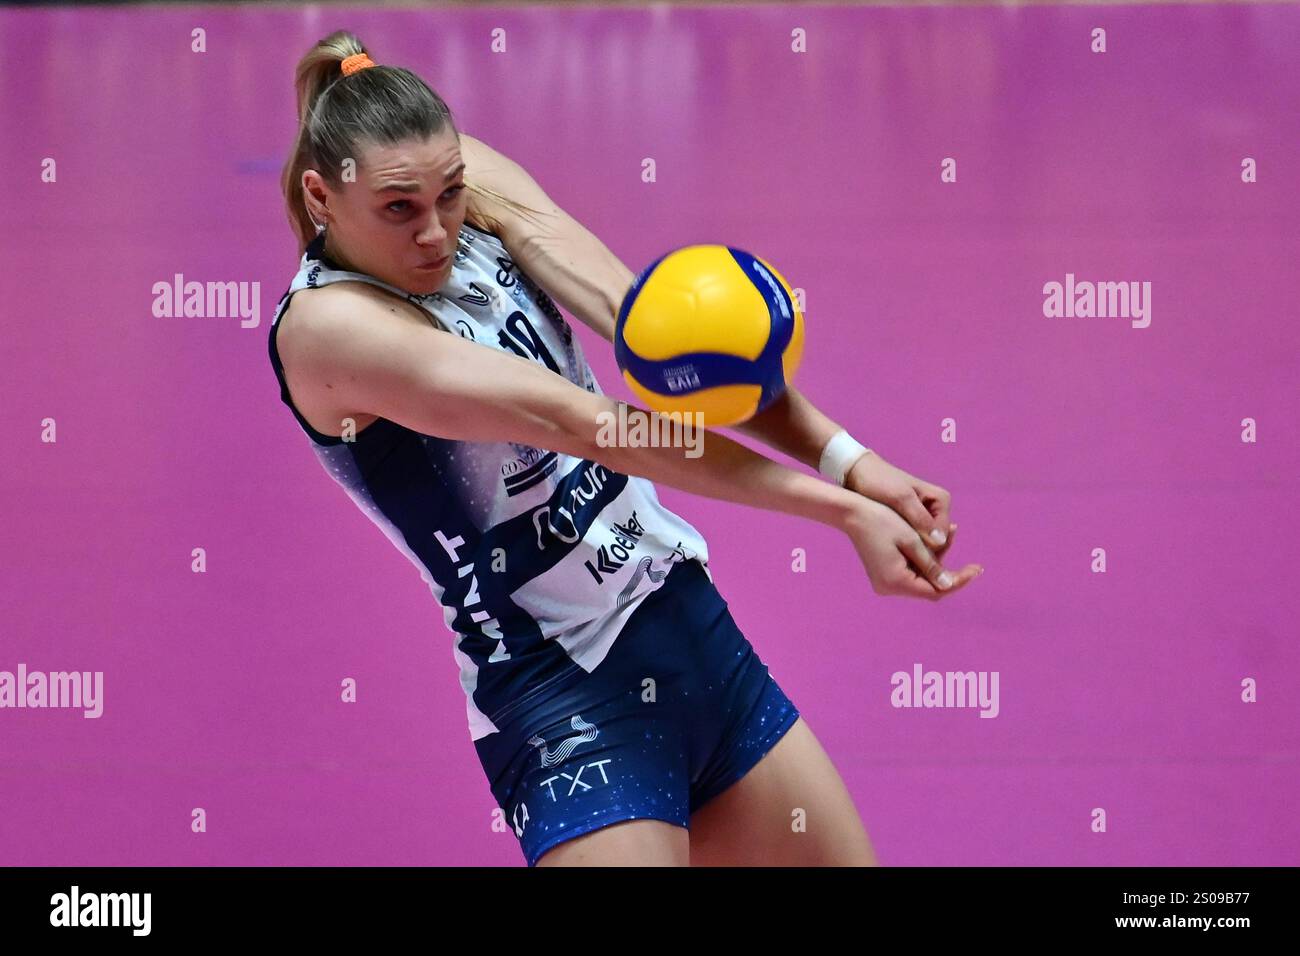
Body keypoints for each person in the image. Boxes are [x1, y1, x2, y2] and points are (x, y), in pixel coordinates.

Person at [268, 31, 982, 867]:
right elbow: (593, 425)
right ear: (323, 196)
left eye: (450, 196)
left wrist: (852, 461)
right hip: (564, 699)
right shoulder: (329, 332)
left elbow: (668, 344)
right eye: (400, 210)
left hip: (687, 630)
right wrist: (841, 511)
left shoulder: (450, 179)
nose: (435, 231)